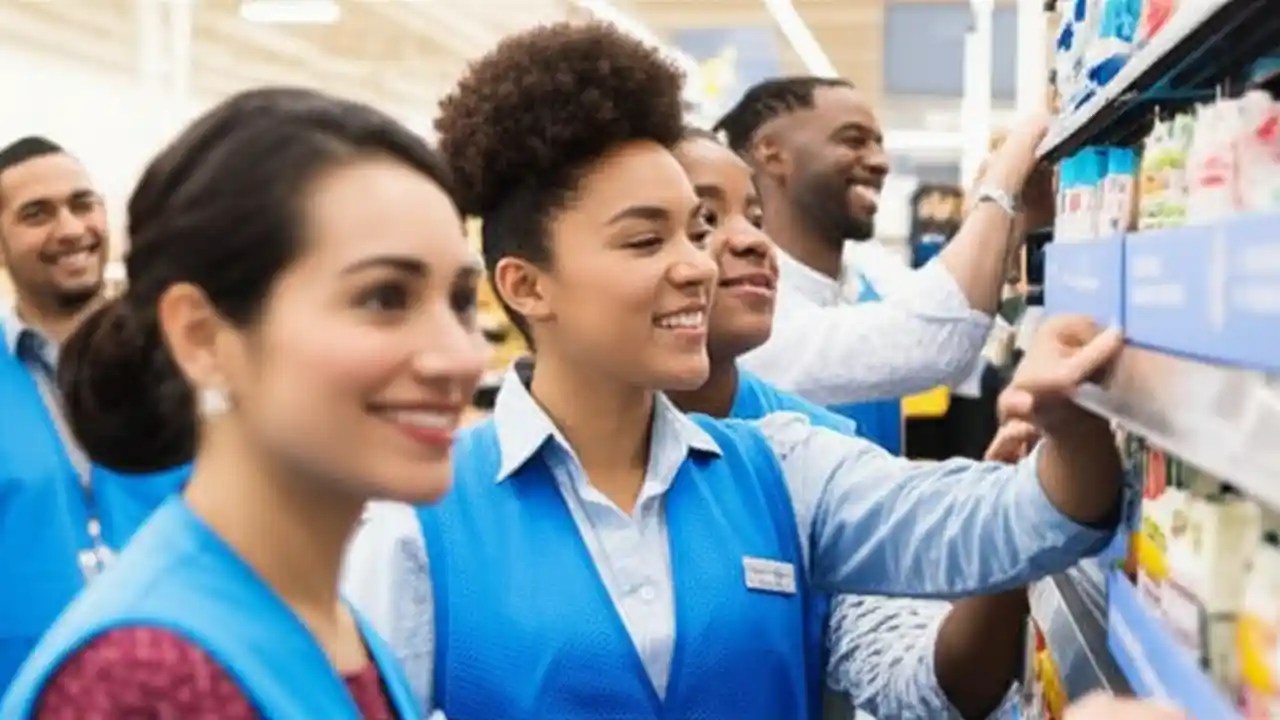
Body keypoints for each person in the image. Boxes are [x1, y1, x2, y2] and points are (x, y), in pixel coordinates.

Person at [344, 21, 1124, 720]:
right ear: (526, 286)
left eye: (698, 231)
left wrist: (1073, 423)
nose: (698, 266)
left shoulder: (781, 465)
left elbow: (1021, 519)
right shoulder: (416, 522)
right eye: (647, 241)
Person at [0, 87, 487, 719]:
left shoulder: (341, 630)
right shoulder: (148, 680)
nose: (460, 356)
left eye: (460, 299)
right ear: (202, 337)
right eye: (383, 298)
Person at [666, 127, 1027, 719]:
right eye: (702, 220)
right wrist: (1005, 184)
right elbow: (925, 338)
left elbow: (912, 678)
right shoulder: (478, 494)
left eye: (755, 217)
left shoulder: (809, 457)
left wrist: (1015, 527)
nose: (756, 242)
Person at [715, 77, 1047, 454]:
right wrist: (1004, 178)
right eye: (853, 140)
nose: (879, 161)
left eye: (879, 144)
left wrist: (1019, 224)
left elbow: (969, 348)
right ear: (773, 153)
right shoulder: (743, 310)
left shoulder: (869, 274)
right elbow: (932, 340)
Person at [0, 136, 187, 691]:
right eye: (37, 214)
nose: (70, 229)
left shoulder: (181, 360)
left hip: (185, 686)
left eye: (84, 204)